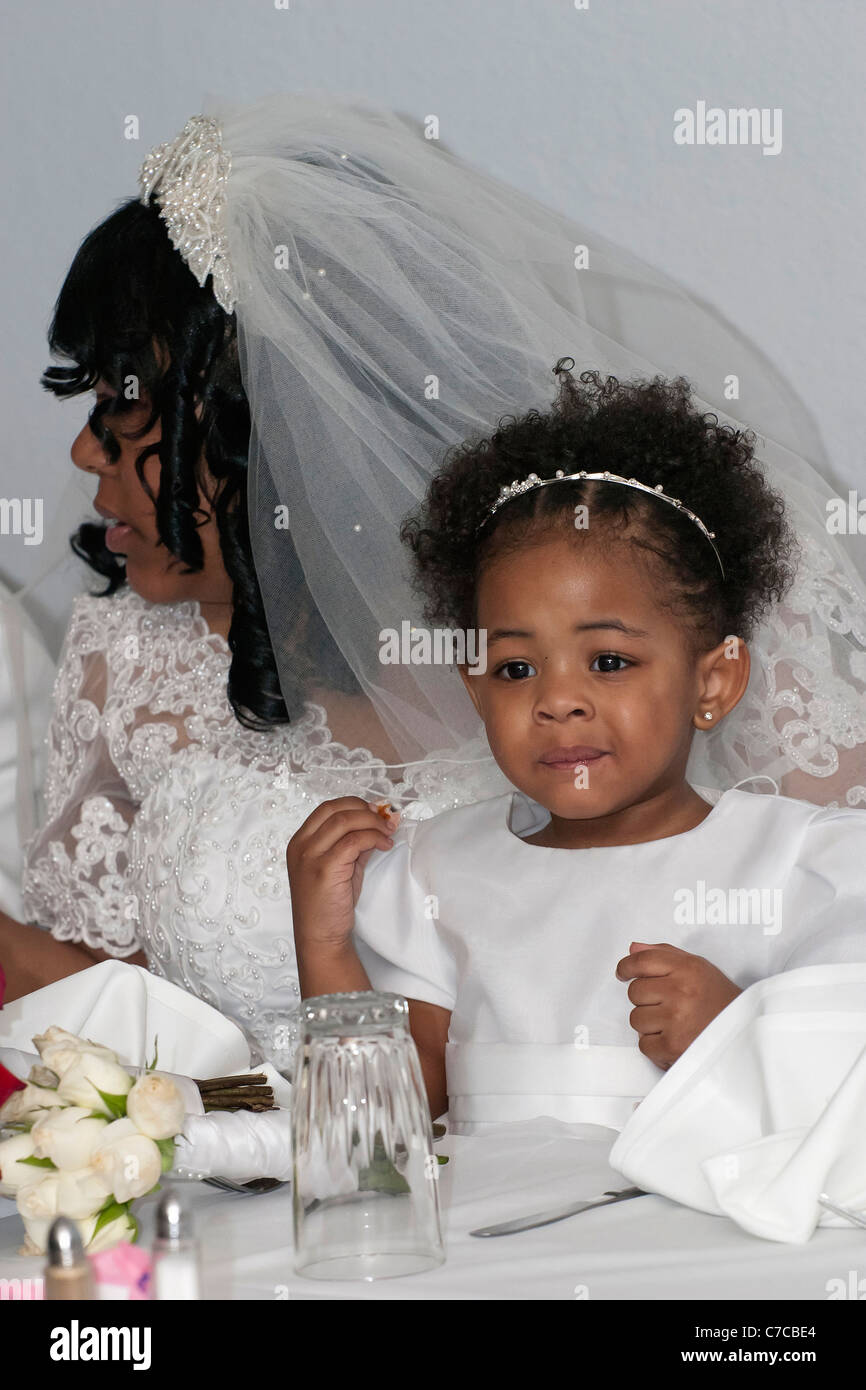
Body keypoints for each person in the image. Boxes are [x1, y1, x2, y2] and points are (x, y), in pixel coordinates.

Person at [287, 365, 866, 1131]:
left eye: (609, 662)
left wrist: (735, 1033)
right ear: (474, 688)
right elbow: (382, 1130)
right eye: (516, 668)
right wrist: (325, 947)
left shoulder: (804, 869)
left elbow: (842, 1121)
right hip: (492, 1244)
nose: (557, 700)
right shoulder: (434, 871)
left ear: (714, 682)